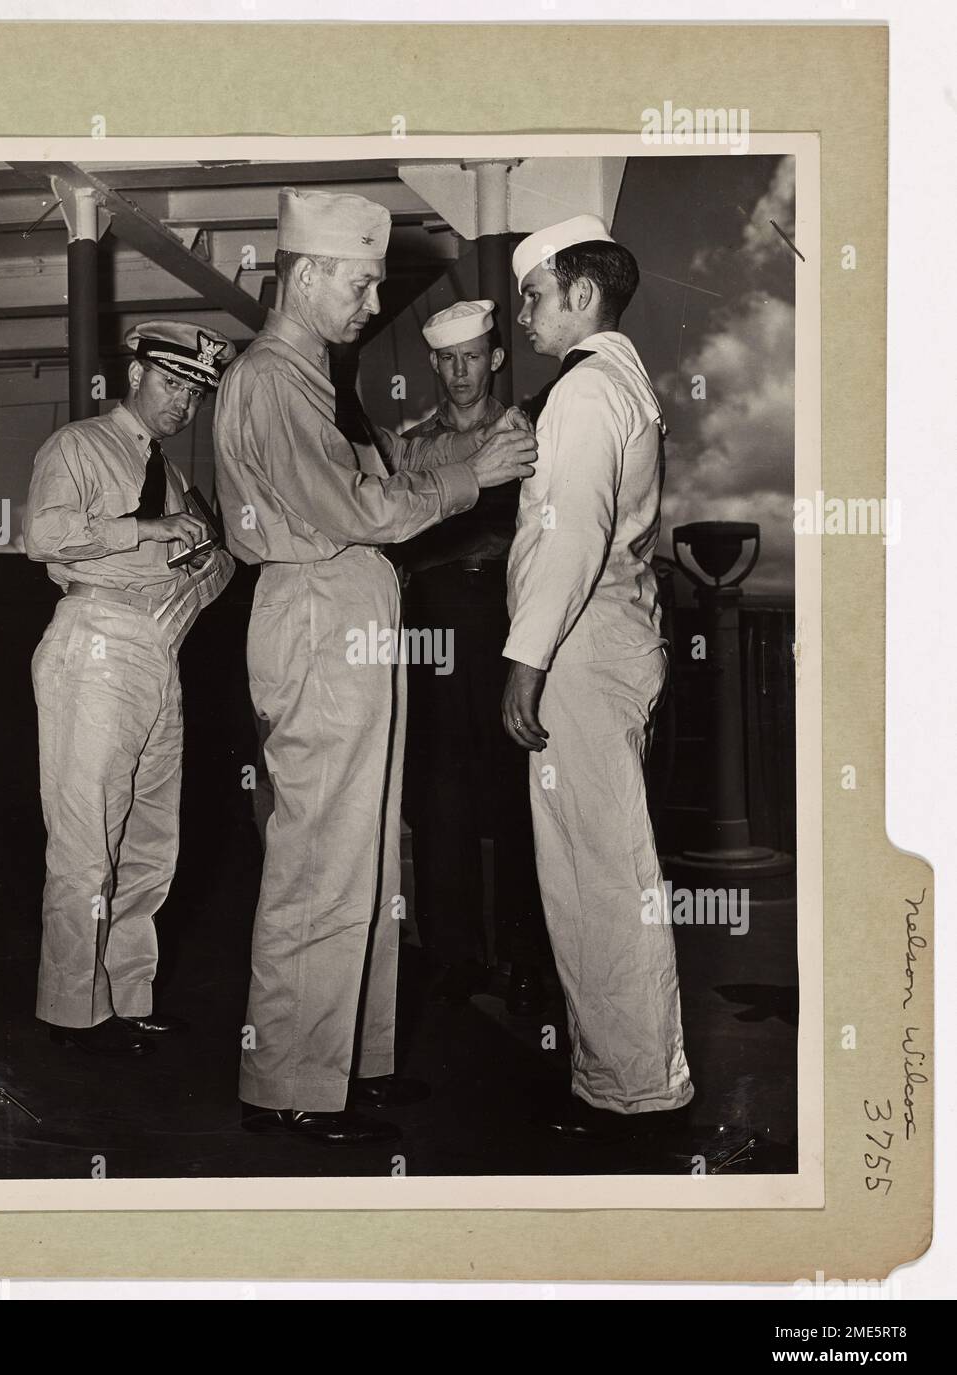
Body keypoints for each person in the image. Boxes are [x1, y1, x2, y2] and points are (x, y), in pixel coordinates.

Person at [214, 187, 537, 1145]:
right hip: (319, 613)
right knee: (319, 858)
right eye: (357, 285)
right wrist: (471, 475)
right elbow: (352, 508)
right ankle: (287, 1083)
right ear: (306, 274)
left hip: (346, 615)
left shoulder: (308, 377)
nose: (368, 304)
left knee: (366, 851)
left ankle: (353, 1060)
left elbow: (371, 485)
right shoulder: (274, 378)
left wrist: (450, 470)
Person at [501, 214, 695, 1138]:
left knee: (597, 877)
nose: (523, 316)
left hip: (576, 652)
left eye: (534, 297)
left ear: (581, 295)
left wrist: (524, 664)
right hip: (613, 641)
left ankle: (634, 1099)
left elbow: (570, 540)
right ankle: (618, 1082)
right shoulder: (627, 384)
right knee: (602, 867)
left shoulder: (579, 398)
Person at [25, 320, 237, 1057]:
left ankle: (129, 994)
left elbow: (217, 561)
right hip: (95, 639)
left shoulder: (175, 476)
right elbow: (45, 533)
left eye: (196, 395)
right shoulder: (80, 445)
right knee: (86, 844)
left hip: (159, 650)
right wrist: (148, 531)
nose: (184, 405)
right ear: (137, 373)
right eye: (174, 385)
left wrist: (193, 577)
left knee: (151, 841)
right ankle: (71, 1013)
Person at [391, 300, 548, 1014]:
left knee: (519, 790)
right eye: (449, 360)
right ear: (434, 364)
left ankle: (524, 954)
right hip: (431, 623)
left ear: (496, 360)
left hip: (506, 620)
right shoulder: (410, 446)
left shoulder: (525, 434)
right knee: (440, 791)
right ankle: (453, 956)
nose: (462, 372)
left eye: (474, 357)